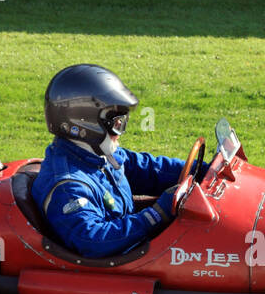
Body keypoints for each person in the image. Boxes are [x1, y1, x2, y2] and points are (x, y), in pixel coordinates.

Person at [32, 64, 194, 258]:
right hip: (108, 275)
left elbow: (150, 168)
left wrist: (203, 169)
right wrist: (156, 215)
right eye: (117, 123)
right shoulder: (68, 187)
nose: (120, 132)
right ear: (85, 122)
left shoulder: (99, 156)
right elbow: (93, 240)